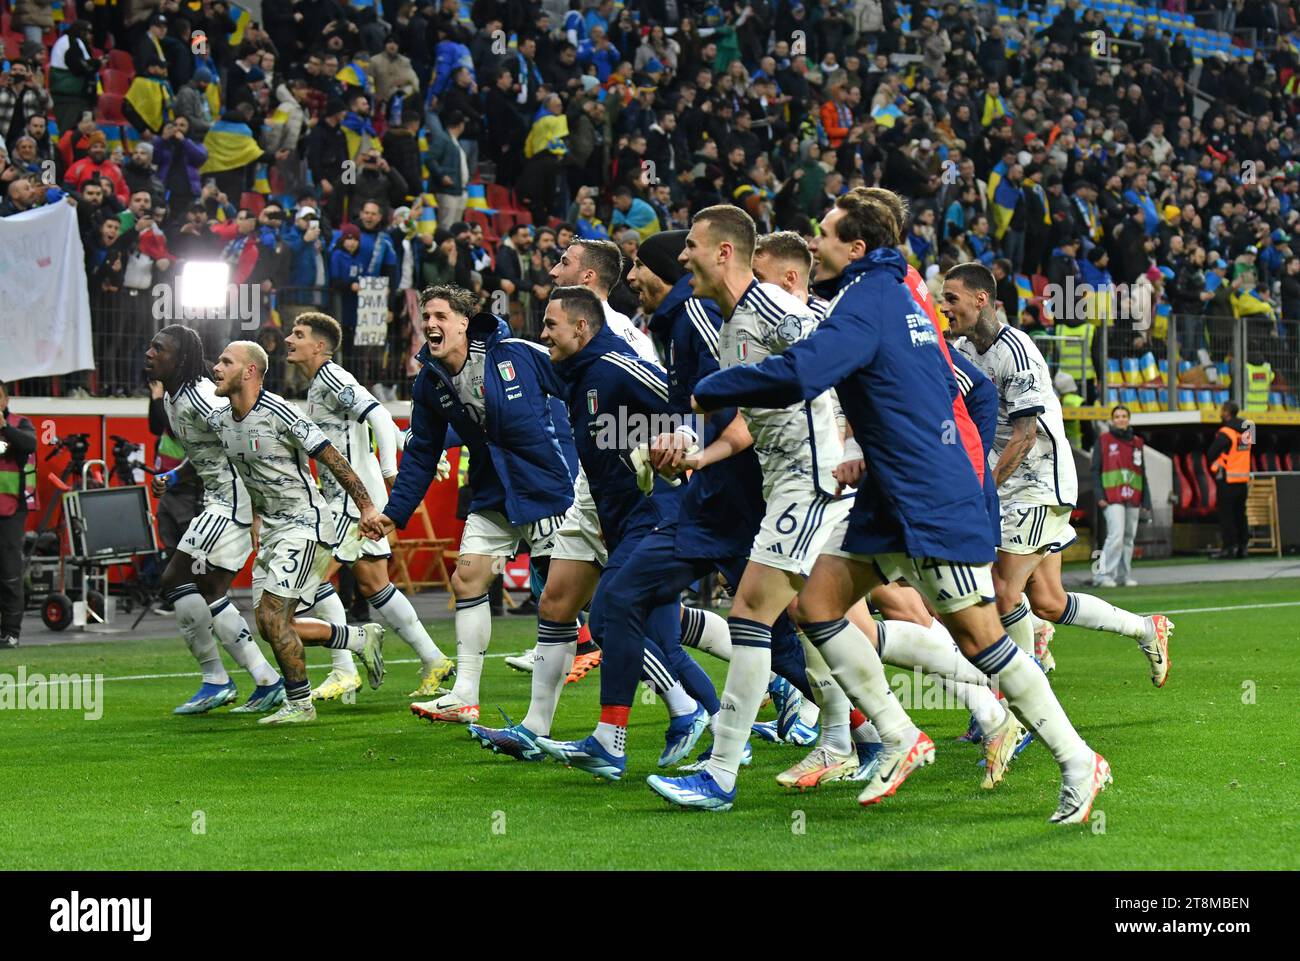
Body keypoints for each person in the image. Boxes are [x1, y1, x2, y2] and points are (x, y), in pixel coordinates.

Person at [691, 189, 1109, 823]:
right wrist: (879, 443)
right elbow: (937, 382)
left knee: (980, 637)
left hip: (926, 496)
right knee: (819, 606)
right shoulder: (900, 293)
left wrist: (712, 387)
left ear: (856, 247)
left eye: (825, 234)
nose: (814, 244)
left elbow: (806, 371)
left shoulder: (869, 300)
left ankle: (1079, 759)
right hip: (894, 486)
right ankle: (896, 733)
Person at [470, 286, 717, 765]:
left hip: (658, 513)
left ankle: (720, 716)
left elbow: (695, 404)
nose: (543, 334)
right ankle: (560, 732)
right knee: (571, 608)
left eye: (550, 324)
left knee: (616, 620)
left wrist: (684, 436)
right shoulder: (575, 371)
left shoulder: (618, 361)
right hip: (618, 517)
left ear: (582, 324)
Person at [943, 262, 1173, 690]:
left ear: (981, 299)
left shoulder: (1016, 349)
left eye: (951, 298)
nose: (945, 308)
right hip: (1008, 482)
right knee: (1047, 600)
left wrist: (983, 491)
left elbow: (1026, 435)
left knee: (1003, 591)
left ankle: (1017, 703)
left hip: (1037, 483)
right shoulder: (963, 350)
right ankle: (1145, 628)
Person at [358, 285, 578, 723]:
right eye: (427, 317)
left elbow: (577, 387)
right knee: (468, 578)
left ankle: (676, 671)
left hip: (546, 488)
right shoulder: (429, 382)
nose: (431, 325)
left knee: (571, 601)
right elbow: (421, 455)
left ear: (464, 322)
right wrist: (392, 514)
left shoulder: (516, 353)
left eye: (440, 316)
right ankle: (465, 696)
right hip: (492, 492)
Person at [210, 340, 387, 725]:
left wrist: (367, 507)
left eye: (226, 362)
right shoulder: (223, 423)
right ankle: (359, 638)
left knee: (275, 618)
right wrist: (257, 517)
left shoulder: (280, 412)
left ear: (250, 371)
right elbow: (253, 475)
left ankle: (300, 705)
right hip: (272, 529)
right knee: (269, 626)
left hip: (304, 524)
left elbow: (332, 457)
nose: (216, 368)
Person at [282, 312, 455, 701]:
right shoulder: (318, 384)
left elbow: (377, 411)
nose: (289, 339)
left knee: (308, 583)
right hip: (355, 498)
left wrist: (393, 469)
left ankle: (344, 667)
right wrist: (407, 446)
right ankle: (434, 659)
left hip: (350, 502)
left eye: (298, 334)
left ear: (319, 346)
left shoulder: (330, 377)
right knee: (375, 585)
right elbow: (374, 420)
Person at [142, 327, 286, 714]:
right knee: (209, 589)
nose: (149, 352)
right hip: (218, 500)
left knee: (177, 580)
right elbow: (208, 455)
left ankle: (220, 680)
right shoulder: (174, 398)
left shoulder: (203, 398)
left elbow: (242, 436)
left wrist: (260, 505)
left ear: (180, 358)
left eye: (159, 348)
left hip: (233, 503)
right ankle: (265, 680)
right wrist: (173, 477)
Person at [1092, 405, 1151, 587]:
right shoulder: (1103, 441)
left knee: (1128, 538)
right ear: (1112, 419)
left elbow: (1141, 471)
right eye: (1117, 416)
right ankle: (1102, 576)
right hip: (1111, 496)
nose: (1121, 419)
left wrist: (1146, 499)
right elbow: (1095, 470)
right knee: (1115, 536)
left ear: (1128, 419)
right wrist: (1099, 495)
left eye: (1124, 416)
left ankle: (1123, 576)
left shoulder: (1137, 442)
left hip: (1133, 496)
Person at [0, 379, 35, 649]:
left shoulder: (20, 424)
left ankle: (10, 632)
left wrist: (4, 428)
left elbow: (29, 445)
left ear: (6, 400)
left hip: (10, 512)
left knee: (10, 574)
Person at [1207, 400, 1252, 559]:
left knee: (1227, 516)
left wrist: (1218, 461)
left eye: (1222, 410)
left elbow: (1211, 453)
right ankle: (1243, 547)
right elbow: (1246, 451)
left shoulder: (1225, 432)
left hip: (1227, 480)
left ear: (1226, 412)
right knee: (1241, 514)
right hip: (1243, 480)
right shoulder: (1248, 428)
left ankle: (1228, 548)